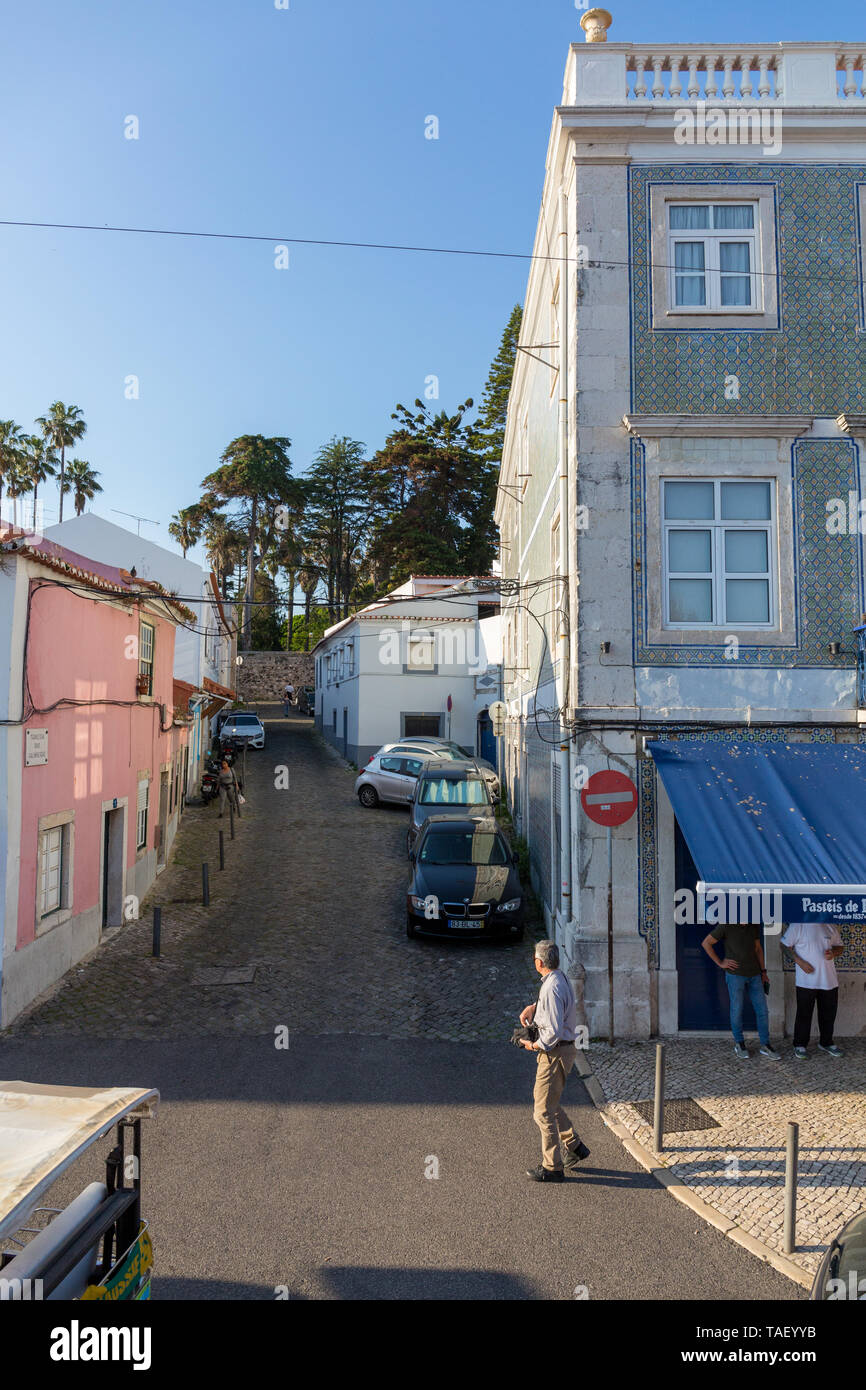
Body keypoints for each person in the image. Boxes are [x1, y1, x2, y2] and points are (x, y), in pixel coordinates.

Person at [518, 940, 590, 1182]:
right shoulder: (558, 979)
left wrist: (532, 1045)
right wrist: (534, 1007)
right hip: (565, 1051)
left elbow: (553, 1031)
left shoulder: (550, 987)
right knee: (550, 1101)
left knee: (542, 1112)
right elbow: (555, 1007)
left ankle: (552, 1167)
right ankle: (575, 1145)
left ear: (539, 963)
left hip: (554, 1053)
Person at [701, 922, 780, 1059]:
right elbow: (706, 943)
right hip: (735, 976)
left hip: (755, 975)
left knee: (762, 1010)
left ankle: (765, 1045)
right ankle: (739, 1043)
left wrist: (763, 972)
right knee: (737, 1009)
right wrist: (720, 963)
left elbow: (758, 949)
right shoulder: (726, 925)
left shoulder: (753, 925)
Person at [781, 922, 845, 1059]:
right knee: (804, 1014)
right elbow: (784, 946)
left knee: (828, 1015)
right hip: (806, 981)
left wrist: (833, 952)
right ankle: (800, 1045)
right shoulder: (798, 925)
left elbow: (840, 946)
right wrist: (800, 962)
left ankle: (826, 1043)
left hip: (829, 980)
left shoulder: (829, 926)